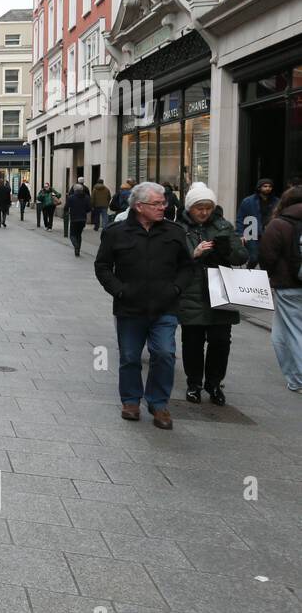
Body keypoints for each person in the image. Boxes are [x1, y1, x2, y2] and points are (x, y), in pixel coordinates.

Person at [95, 182, 196, 430]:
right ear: (139, 206)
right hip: (129, 309)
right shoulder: (116, 233)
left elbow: (187, 267)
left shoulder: (174, 232)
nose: (164, 207)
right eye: (158, 203)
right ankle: (130, 401)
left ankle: (158, 403)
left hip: (165, 308)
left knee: (164, 354)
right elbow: (103, 266)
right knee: (130, 357)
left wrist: (176, 289)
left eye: (164, 202)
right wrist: (119, 290)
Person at [176, 183, 247, 406]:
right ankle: (194, 383)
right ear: (190, 208)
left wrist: (229, 250)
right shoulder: (179, 229)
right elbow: (171, 259)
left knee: (220, 341)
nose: (204, 212)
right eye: (199, 207)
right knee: (192, 342)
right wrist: (193, 254)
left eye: (208, 207)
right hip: (192, 292)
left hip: (221, 292)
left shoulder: (224, 226)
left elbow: (242, 256)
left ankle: (214, 383)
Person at [259, 184, 302, 394]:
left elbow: (267, 256)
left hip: (288, 287)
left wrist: (271, 275)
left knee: (294, 332)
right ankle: (294, 379)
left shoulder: (279, 224)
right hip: (292, 286)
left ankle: (299, 379)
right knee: (280, 332)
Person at [237, 179, 279, 269]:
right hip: (252, 233)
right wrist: (240, 234)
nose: (268, 188)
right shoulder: (248, 201)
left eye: (270, 186)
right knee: (254, 258)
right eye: (265, 186)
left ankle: (263, 279)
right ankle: (247, 275)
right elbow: (240, 218)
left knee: (267, 259)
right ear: (259, 188)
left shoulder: (277, 202)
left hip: (268, 234)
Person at [65, 181, 92, 256]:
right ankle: (78, 250)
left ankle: (76, 246)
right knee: (79, 235)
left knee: (72, 235)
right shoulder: (86, 197)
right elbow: (89, 208)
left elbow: (66, 207)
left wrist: (67, 212)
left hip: (74, 218)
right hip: (83, 219)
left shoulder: (71, 197)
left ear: (74, 190)